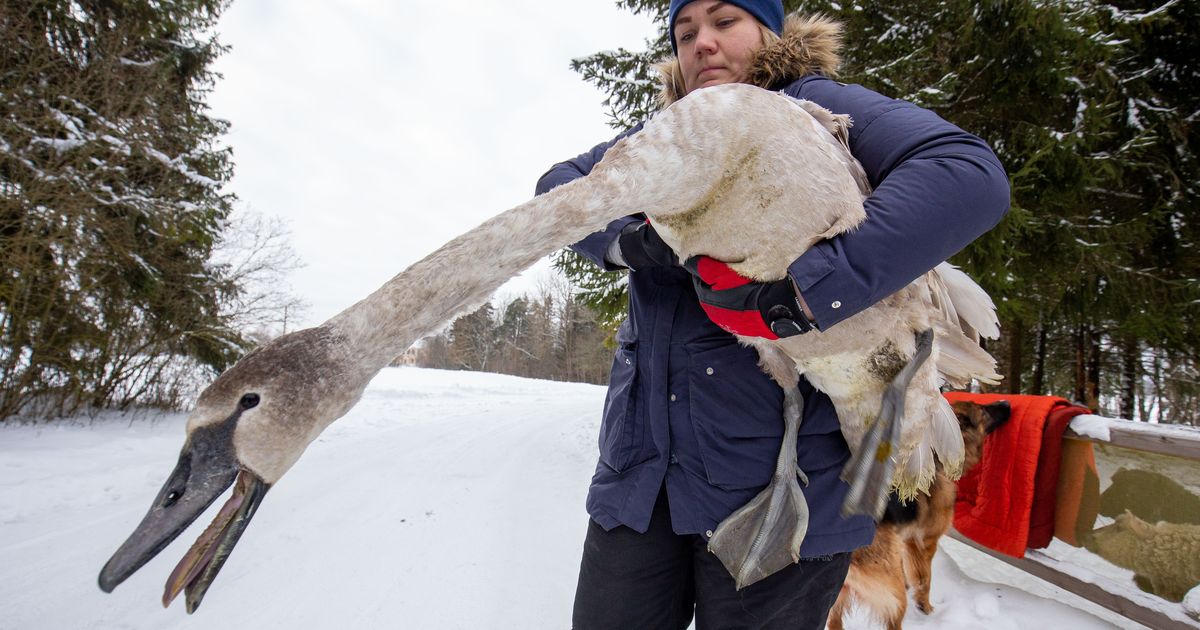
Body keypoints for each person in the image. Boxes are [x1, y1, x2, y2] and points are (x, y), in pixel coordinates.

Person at [534, 1, 1010, 628]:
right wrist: (631, 241)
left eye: (724, 21)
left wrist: (802, 294)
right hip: (641, 482)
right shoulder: (673, 131)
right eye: (684, 32)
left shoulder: (814, 108)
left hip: (790, 501)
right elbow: (558, 185)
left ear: (770, 31)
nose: (702, 43)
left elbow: (966, 174)